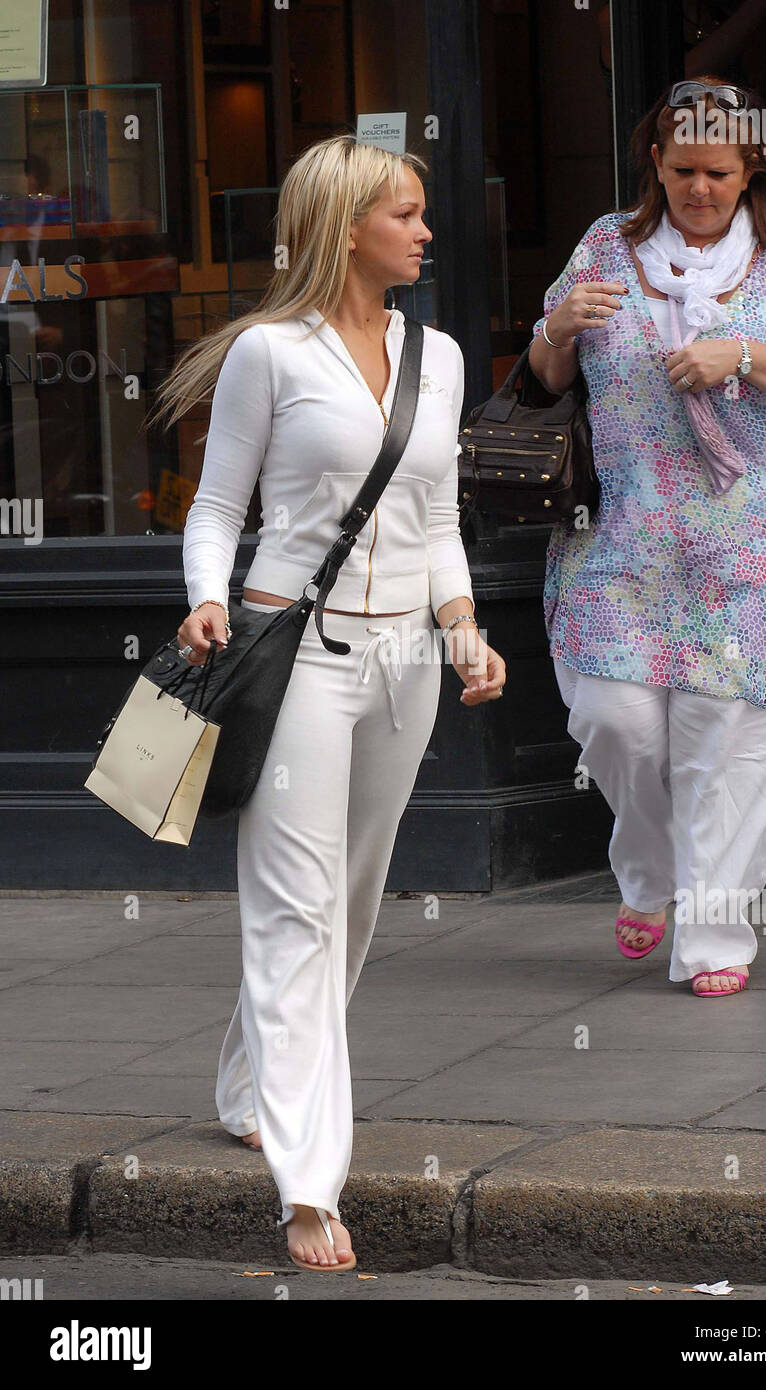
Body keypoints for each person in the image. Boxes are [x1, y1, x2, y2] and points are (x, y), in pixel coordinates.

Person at [152, 135, 506, 1270]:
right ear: (346, 225)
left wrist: (462, 628)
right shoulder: (268, 351)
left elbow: (438, 518)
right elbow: (215, 506)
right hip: (292, 651)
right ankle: (308, 1182)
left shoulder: (437, 356)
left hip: (406, 657)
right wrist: (205, 597)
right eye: (403, 212)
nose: (425, 228)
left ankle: (251, 1077)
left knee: (350, 904)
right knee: (295, 910)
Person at [529, 76, 766, 999]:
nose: (702, 190)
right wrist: (554, 329)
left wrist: (743, 358)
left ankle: (714, 938)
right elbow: (548, 372)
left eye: (719, 172)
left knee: (732, 749)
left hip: (756, 544)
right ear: (656, 164)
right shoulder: (609, 243)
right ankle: (647, 872)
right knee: (613, 720)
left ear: (750, 166)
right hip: (625, 536)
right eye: (684, 171)